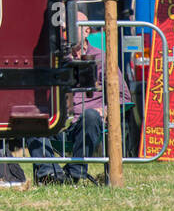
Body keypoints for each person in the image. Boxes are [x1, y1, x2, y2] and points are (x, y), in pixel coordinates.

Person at [28, 29, 132, 183]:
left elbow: (124, 97)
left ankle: (74, 173)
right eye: (62, 29)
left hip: (87, 124)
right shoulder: (55, 59)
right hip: (57, 124)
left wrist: (103, 111)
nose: (65, 32)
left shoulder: (103, 58)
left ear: (86, 31)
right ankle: (51, 174)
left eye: (69, 27)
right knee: (29, 119)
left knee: (90, 115)